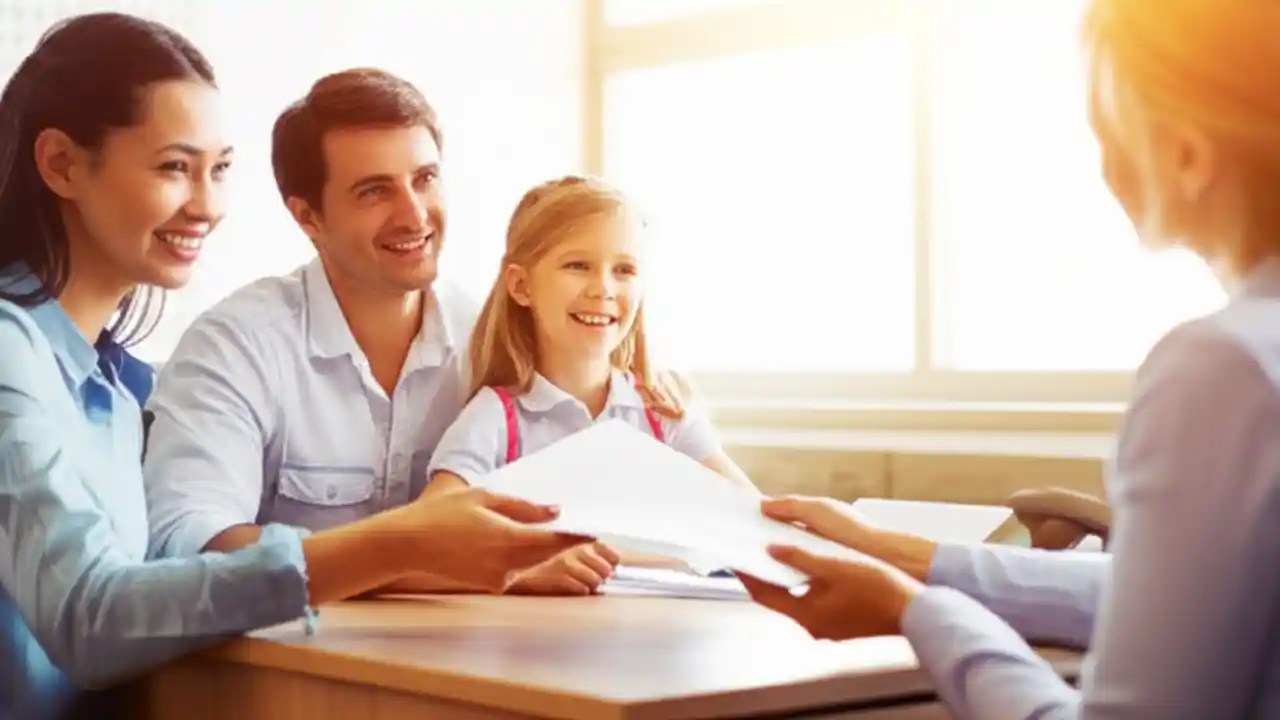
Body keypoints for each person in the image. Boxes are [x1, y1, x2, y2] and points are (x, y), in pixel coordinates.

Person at [0, 15, 583, 719]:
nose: (210, 206)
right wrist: (405, 546)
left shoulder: (119, 385)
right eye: (173, 168)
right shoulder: (15, 353)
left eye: (218, 169)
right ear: (61, 164)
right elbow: (93, 615)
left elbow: (156, 588)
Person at [740, 1, 1280, 717]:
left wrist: (918, 615)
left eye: (1107, 130)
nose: (1104, 162)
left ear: (1185, 154)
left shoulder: (1220, 370)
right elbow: (1169, 600)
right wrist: (905, 555)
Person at [424, 175, 758, 595]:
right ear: (521, 286)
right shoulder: (496, 420)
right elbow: (420, 537)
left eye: (624, 270)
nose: (603, 289)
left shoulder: (663, 415)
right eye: (578, 265)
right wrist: (522, 569)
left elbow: (758, 524)